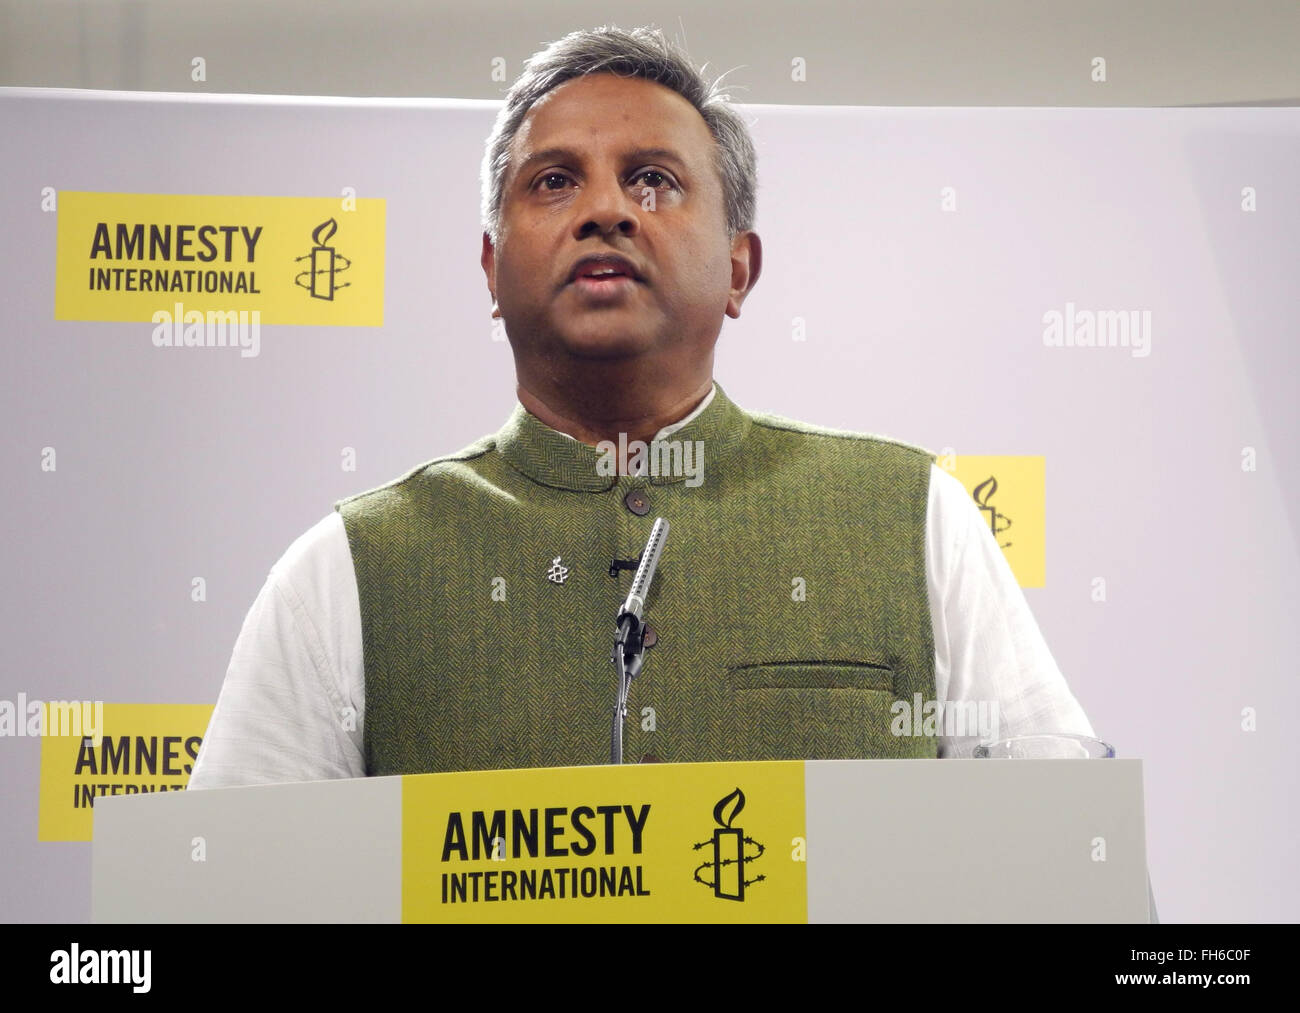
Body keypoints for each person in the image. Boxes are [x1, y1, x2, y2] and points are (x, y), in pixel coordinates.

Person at [188, 25, 1094, 789]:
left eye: (654, 178)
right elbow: (232, 894)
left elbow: (1060, 862)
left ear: (739, 267)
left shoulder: (912, 517)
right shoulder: (347, 569)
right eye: (553, 181)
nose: (606, 210)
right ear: (489, 272)